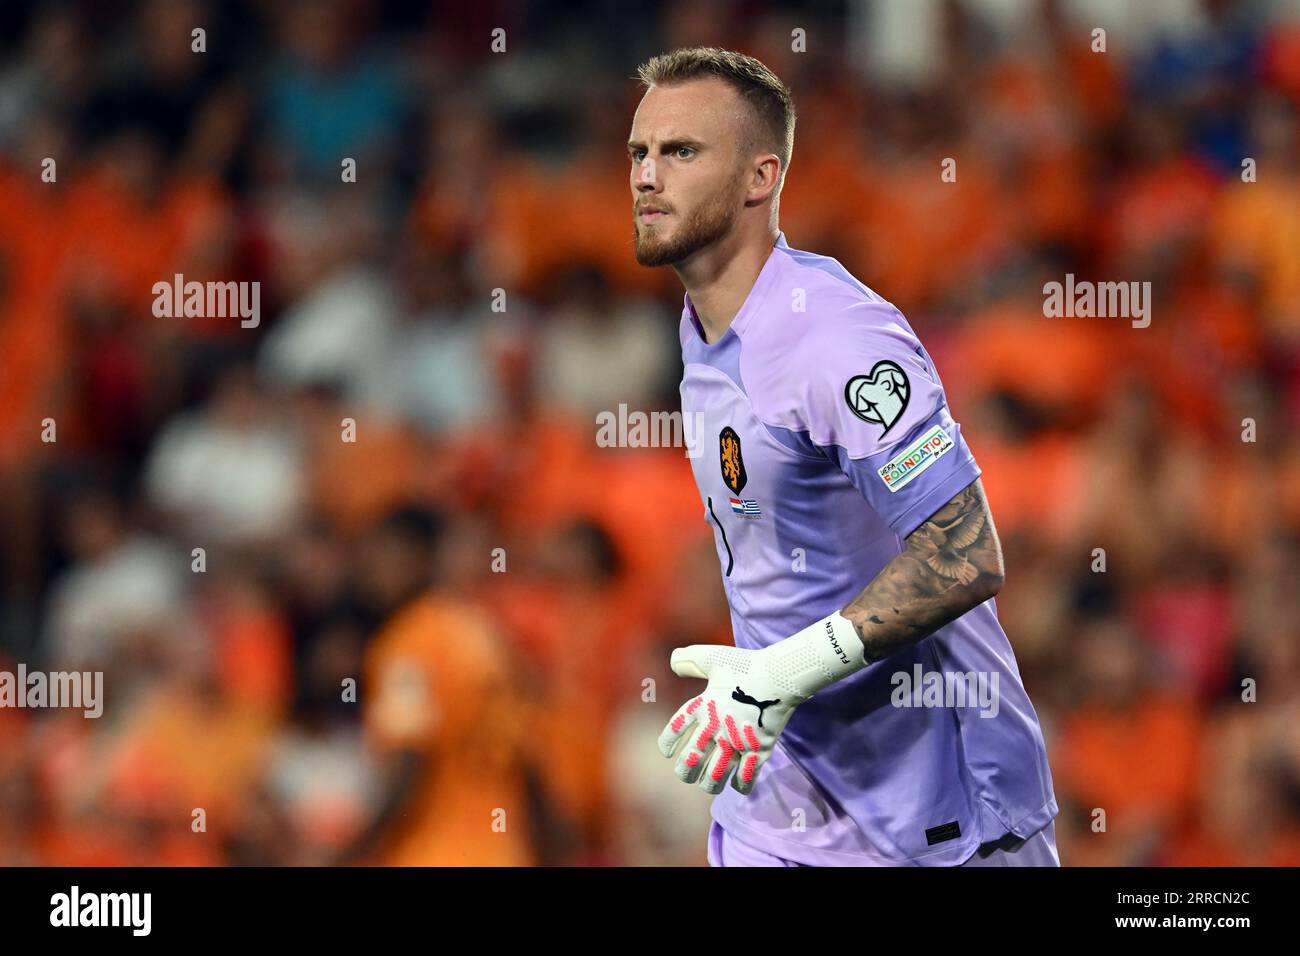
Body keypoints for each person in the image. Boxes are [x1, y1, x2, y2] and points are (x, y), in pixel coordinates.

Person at [629, 47, 1058, 866]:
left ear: (761, 177)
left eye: (681, 151)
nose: (648, 175)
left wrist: (786, 669)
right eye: (640, 153)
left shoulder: (837, 340)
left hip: (938, 810)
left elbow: (964, 555)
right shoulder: (701, 327)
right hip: (783, 794)